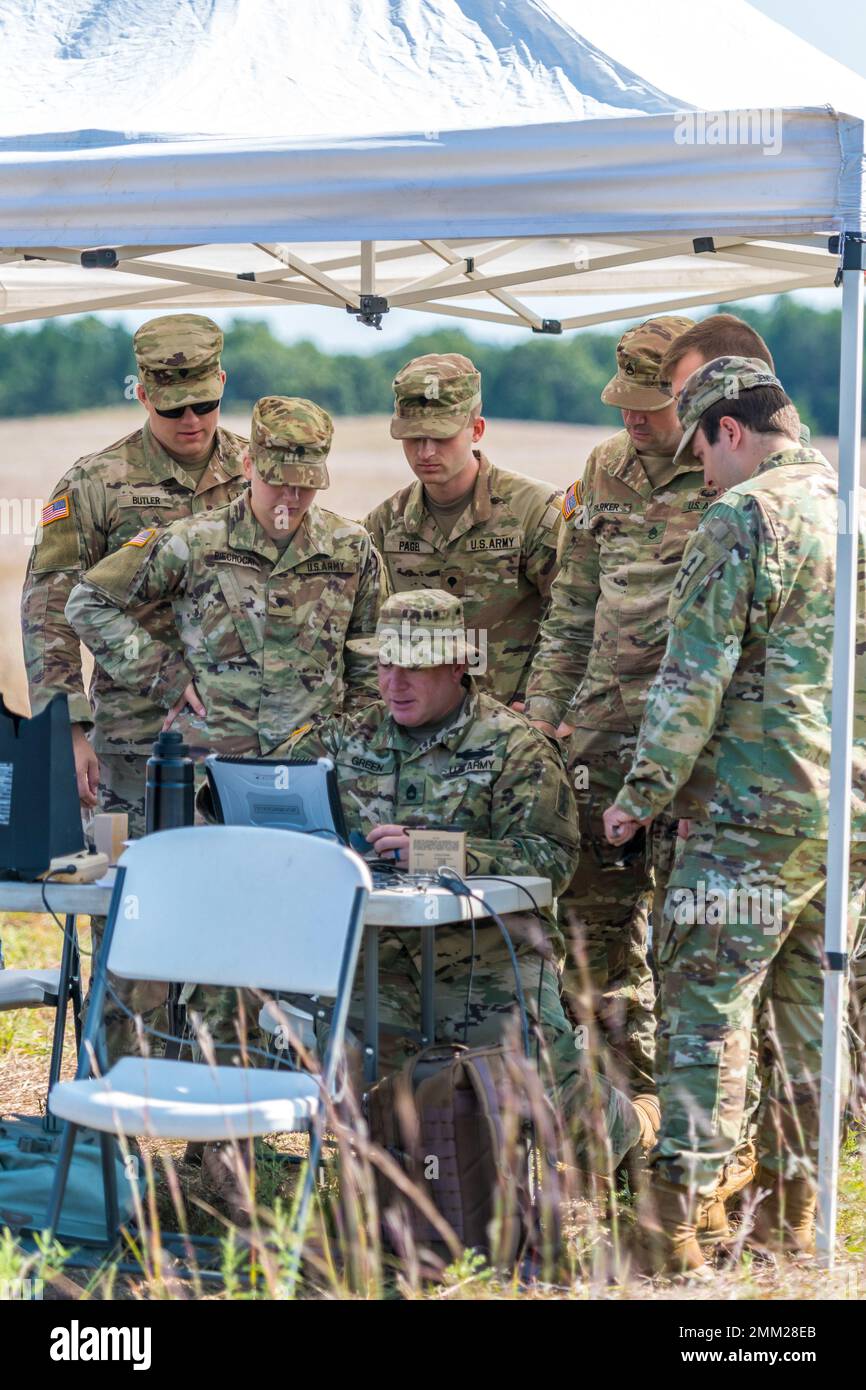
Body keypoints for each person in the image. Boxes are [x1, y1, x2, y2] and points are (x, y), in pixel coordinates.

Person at [603, 357, 866, 1273]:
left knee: (705, 1016)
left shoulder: (741, 516)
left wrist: (637, 799)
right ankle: (795, 1227)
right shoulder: (851, 508)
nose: (698, 472)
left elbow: (692, 678)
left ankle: (667, 1228)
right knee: (807, 1017)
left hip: (744, 820)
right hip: (838, 818)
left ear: (728, 429)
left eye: (699, 451)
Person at [65, 396, 387, 1093]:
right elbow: (88, 601)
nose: (292, 498)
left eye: (306, 485)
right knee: (157, 942)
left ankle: (237, 1144)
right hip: (206, 789)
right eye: (280, 481)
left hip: (298, 794)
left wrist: (353, 747)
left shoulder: (349, 547)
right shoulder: (193, 541)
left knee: (266, 958)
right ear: (249, 465)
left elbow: (369, 663)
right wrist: (162, 673)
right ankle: (118, 1122)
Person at [288, 589, 642, 1173]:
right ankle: (407, 1175)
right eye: (385, 664)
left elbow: (551, 858)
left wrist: (433, 851)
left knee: (543, 1092)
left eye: (416, 666)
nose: (395, 682)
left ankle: (631, 1131)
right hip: (374, 954)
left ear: (457, 666)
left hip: (485, 955)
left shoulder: (515, 746)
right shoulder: (340, 740)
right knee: (305, 1042)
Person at [21, 313, 247, 1055]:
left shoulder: (260, 473)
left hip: (242, 748)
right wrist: (68, 732)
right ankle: (118, 1136)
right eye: (171, 406)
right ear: (143, 393)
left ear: (222, 383)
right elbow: (50, 609)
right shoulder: (96, 482)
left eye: (203, 405)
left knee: (236, 941)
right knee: (132, 932)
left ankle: (224, 1144)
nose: (191, 421)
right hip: (131, 747)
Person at [522, 317, 717, 1114]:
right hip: (600, 736)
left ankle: (695, 1123)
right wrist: (543, 713)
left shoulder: (724, 471)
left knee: (689, 941)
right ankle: (614, 1115)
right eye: (625, 404)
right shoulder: (603, 467)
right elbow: (571, 605)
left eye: (650, 405)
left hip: (692, 743)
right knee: (590, 935)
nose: (634, 420)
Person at [363, 353, 562, 706]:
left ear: (477, 429)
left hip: (512, 724)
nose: (425, 452)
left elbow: (570, 619)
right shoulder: (383, 525)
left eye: (441, 437)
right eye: (413, 437)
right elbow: (367, 633)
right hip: (419, 727)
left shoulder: (534, 512)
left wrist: (544, 702)